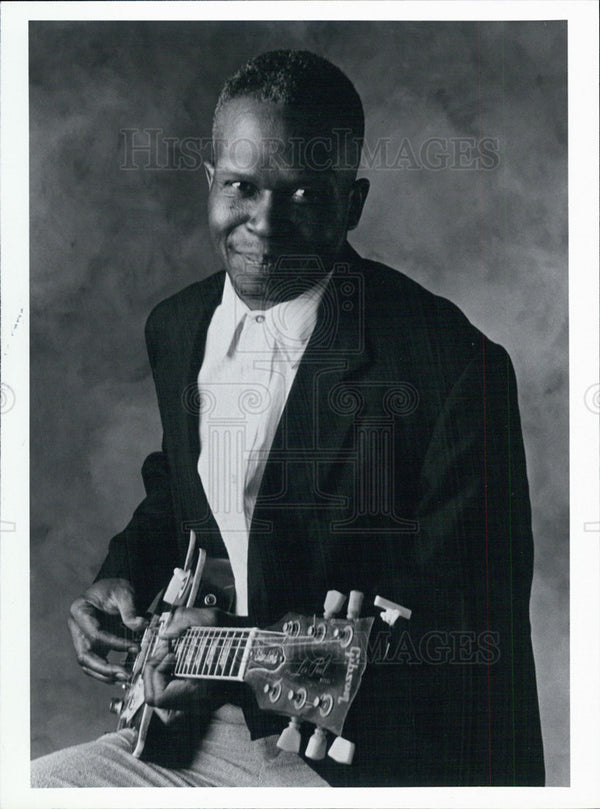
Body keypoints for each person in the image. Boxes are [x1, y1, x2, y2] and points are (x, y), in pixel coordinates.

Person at [32, 49, 545, 787]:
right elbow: (180, 495)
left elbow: (470, 638)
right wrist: (121, 577)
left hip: (371, 759)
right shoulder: (177, 327)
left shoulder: (453, 368)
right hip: (201, 736)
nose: (265, 222)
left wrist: (238, 656)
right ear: (211, 184)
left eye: (303, 193)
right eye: (241, 186)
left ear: (352, 203)